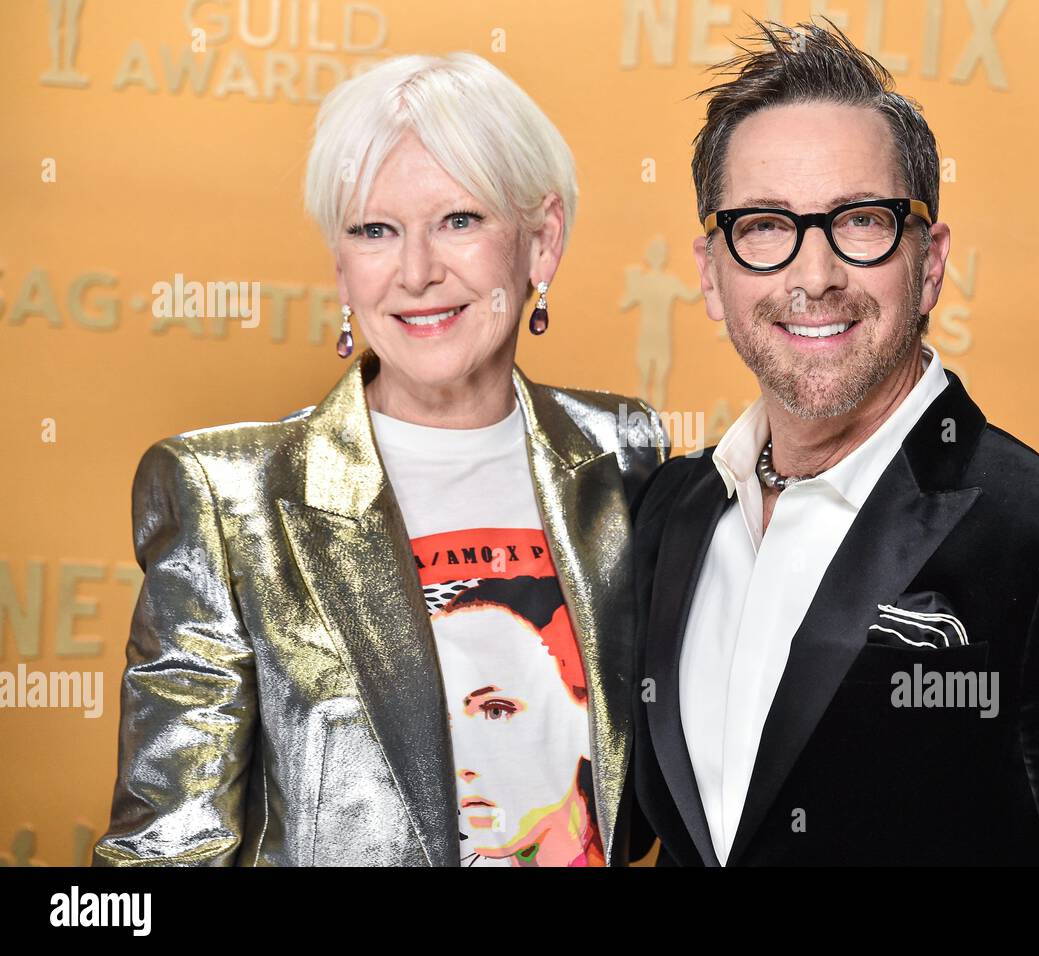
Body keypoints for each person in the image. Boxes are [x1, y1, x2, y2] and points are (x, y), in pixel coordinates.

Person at [630, 18, 1039, 866]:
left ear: (931, 262)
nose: (815, 277)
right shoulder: (672, 511)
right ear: (709, 272)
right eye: (766, 225)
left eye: (863, 221)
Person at [93, 52, 667, 867]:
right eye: (375, 230)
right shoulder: (227, 498)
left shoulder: (627, 458)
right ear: (341, 266)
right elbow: (164, 852)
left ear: (541, 243)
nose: (418, 272)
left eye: (459, 220)